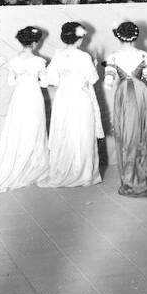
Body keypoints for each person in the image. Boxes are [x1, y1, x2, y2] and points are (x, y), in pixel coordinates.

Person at [0, 26, 50, 195]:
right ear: (35, 43)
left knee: (18, 128)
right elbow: (44, 83)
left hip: (19, 97)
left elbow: (10, 82)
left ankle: (17, 163)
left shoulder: (14, 61)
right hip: (34, 96)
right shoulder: (39, 61)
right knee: (34, 128)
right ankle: (34, 165)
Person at [102, 21, 147, 196]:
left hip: (123, 94)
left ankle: (131, 180)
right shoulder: (143, 54)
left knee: (127, 135)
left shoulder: (113, 56)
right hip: (141, 93)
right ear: (135, 36)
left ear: (118, 36)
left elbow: (108, 84)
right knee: (144, 132)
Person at [39, 21, 102, 188]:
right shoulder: (84, 57)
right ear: (79, 39)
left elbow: (52, 80)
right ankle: (83, 172)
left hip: (64, 97)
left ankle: (62, 169)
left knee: (64, 131)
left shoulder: (58, 55)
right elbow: (93, 79)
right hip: (80, 97)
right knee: (82, 131)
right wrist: (94, 64)